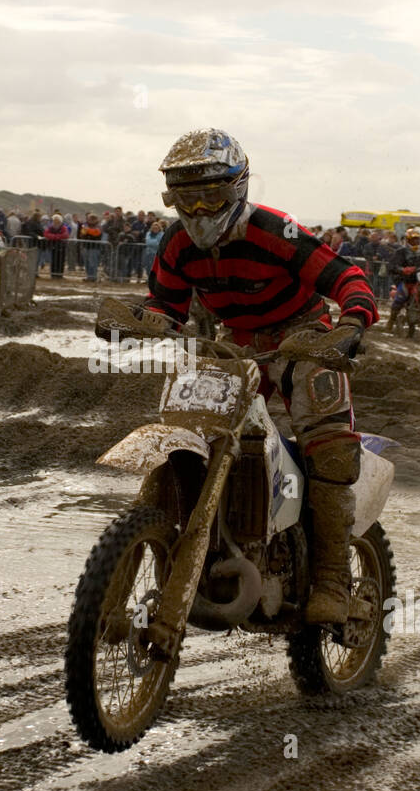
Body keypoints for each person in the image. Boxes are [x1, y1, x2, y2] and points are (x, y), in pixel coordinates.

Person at [143, 128, 378, 626]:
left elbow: (346, 277)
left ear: (238, 188)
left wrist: (353, 322)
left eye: (212, 196)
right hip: (235, 343)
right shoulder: (177, 242)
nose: (201, 210)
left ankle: (333, 579)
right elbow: (165, 305)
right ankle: (182, 547)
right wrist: (140, 322)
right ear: (173, 199)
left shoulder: (276, 231)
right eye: (189, 198)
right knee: (193, 432)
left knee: (329, 447)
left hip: (303, 338)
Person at [388, 227, 420, 330]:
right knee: (402, 296)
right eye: (413, 239)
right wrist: (402, 269)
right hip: (405, 279)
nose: (415, 241)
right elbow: (392, 265)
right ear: (407, 240)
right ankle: (391, 320)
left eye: (417, 239)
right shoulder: (401, 252)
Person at [43, 212, 69, 277]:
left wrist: (55, 237)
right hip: (53, 246)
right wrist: (56, 237)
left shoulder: (63, 227)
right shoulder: (50, 227)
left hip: (61, 246)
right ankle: (53, 274)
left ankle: (60, 274)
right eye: (55, 220)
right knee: (53, 261)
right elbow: (46, 234)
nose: (56, 221)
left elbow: (65, 235)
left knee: (61, 261)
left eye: (57, 220)